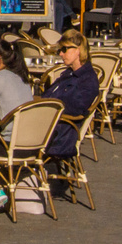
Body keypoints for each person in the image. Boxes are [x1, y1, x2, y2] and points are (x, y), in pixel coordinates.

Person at [41, 30, 100, 159]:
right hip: (46, 127)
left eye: (64, 49)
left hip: (58, 137)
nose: (61, 54)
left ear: (78, 50)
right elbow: (47, 96)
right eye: (59, 50)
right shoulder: (68, 74)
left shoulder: (88, 80)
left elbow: (73, 109)